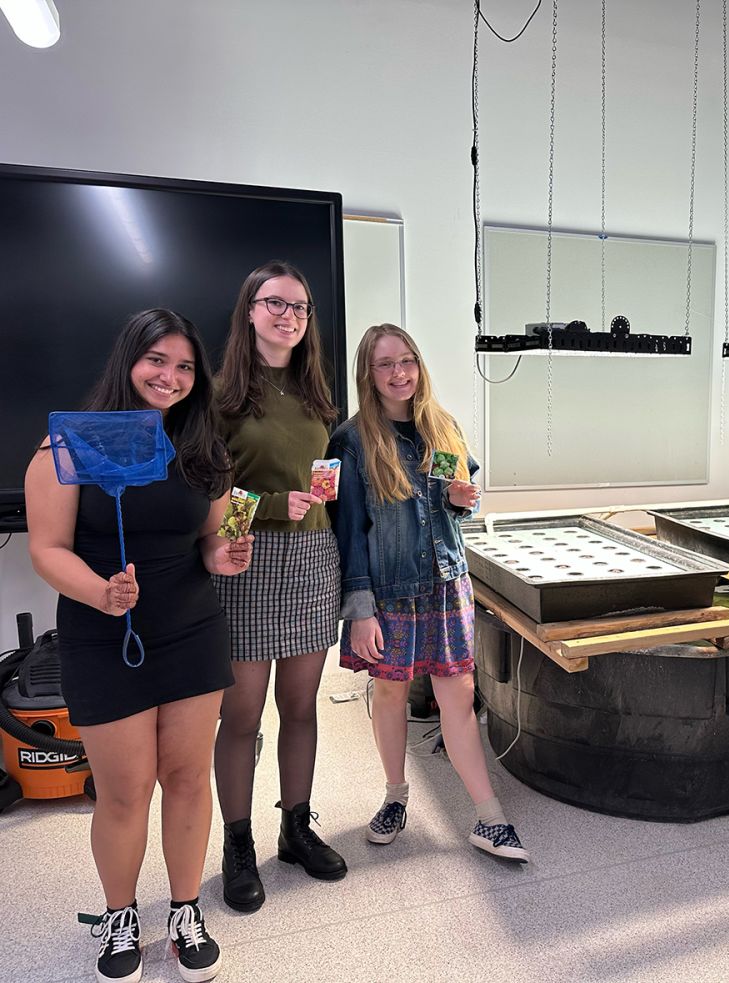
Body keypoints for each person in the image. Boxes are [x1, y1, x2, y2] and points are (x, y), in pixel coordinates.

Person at [25, 309, 251, 983]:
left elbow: (212, 539)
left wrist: (226, 553)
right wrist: (101, 592)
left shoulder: (206, 447)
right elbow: (46, 548)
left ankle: (185, 909)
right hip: (104, 635)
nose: (172, 377)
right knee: (124, 792)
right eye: (158, 360)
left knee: (186, 779)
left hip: (191, 632)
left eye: (185, 366)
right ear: (129, 361)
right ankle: (120, 912)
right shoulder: (61, 448)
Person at [328, 323, 529, 862]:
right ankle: (396, 795)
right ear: (367, 376)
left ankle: (489, 817)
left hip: (445, 583)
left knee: (457, 700)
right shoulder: (351, 441)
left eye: (407, 361)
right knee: (390, 694)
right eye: (385, 364)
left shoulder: (443, 427)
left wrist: (466, 499)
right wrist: (360, 611)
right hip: (388, 591)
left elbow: (463, 502)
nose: (399, 374)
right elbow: (349, 535)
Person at [211, 261, 345, 913]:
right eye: (275, 303)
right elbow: (208, 502)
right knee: (240, 716)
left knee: (301, 707)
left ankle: (295, 828)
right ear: (249, 310)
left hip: (316, 562)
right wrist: (266, 506)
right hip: (247, 563)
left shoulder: (319, 395)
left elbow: (325, 480)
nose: (289, 316)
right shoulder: (219, 398)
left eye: (300, 307)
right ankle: (238, 846)